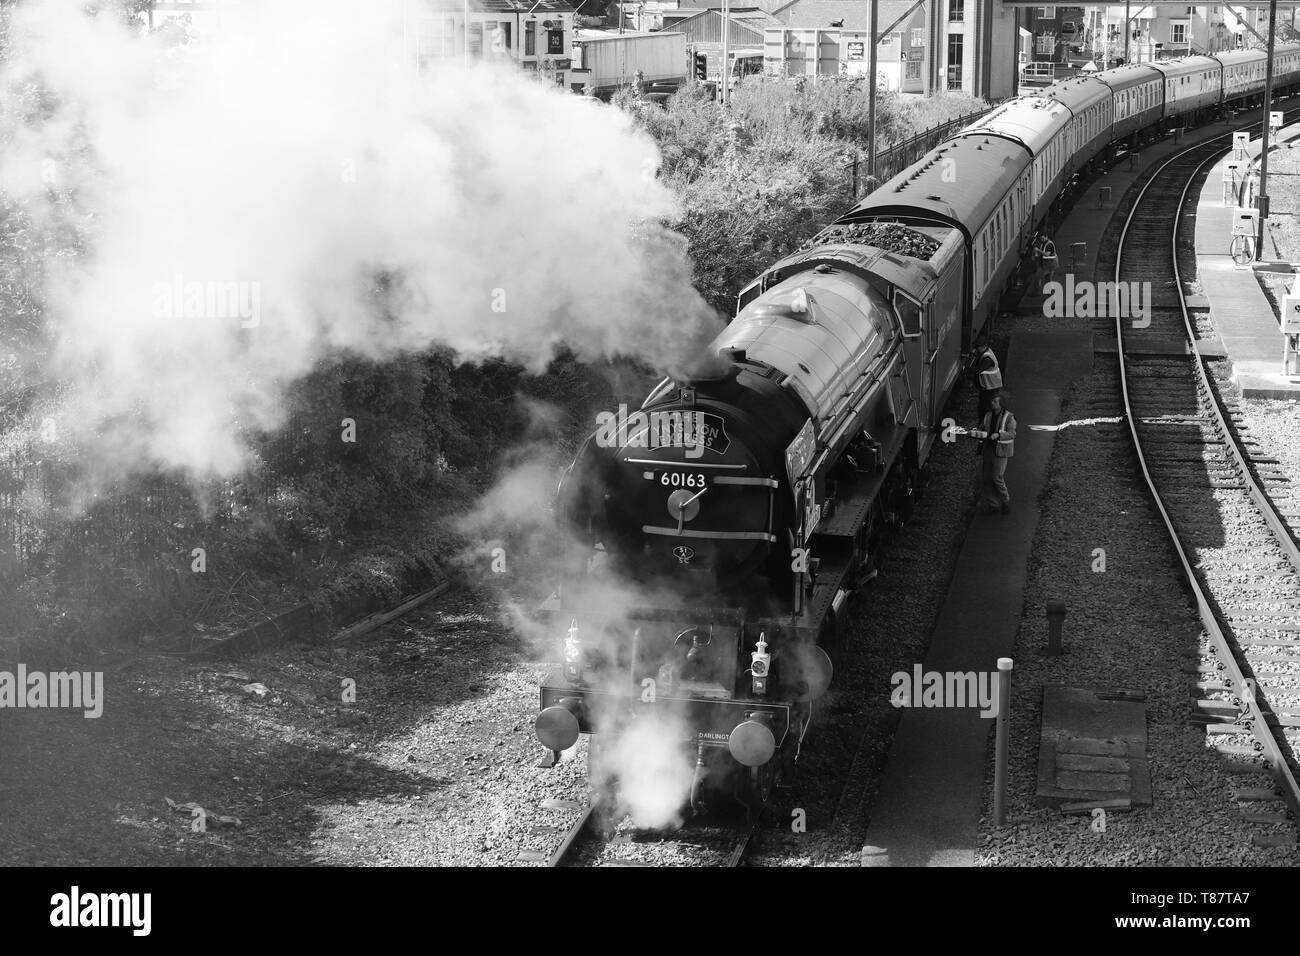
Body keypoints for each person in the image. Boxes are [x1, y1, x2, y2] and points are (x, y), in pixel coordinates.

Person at [971, 391, 1016, 515]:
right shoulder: (988, 415)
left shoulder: (1009, 417)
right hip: (988, 450)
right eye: (992, 401)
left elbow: (1012, 434)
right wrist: (976, 432)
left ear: (1001, 404)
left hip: (1000, 452)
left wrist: (999, 435)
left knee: (997, 478)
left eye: (995, 401)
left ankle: (1005, 501)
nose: (992, 403)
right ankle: (993, 504)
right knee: (986, 478)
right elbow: (982, 428)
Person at [971, 335, 1002, 418]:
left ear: (984, 346)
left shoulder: (987, 359)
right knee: (984, 407)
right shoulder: (986, 352)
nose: (976, 349)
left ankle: (985, 426)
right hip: (988, 387)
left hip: (990, 388)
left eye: (978, 347)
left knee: (986, 408)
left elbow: (977, 370)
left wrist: (967, 367)